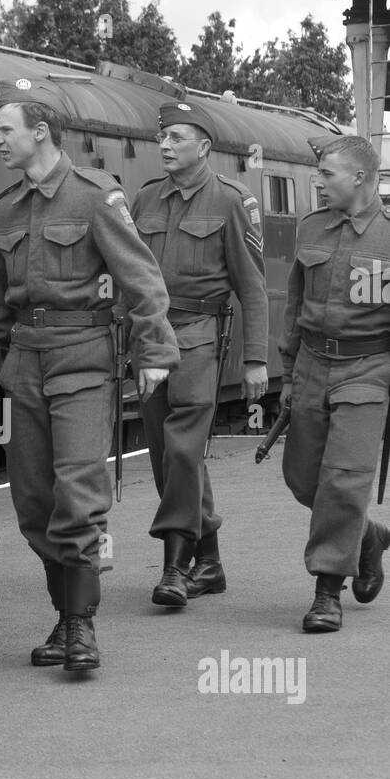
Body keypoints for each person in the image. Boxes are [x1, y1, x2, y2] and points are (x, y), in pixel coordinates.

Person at [0, 77, 178, 672]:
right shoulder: (4, 209)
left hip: (83, 360)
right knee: (33, 503)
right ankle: (65, 613)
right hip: (23, 363)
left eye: (4, 129)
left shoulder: (94, 196)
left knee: (79, 496)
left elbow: (141, 280)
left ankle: (79, 625)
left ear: (40, 131)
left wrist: (156, 355)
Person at [130, 101, 268, 606]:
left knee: (184, 449)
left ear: (204, 147)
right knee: (168, 457)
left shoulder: (232, 201)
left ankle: (175, 567)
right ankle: (209, 562)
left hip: (197, 336)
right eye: (162, 137)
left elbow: (252, 287)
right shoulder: (144, 200)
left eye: (176, 138)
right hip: (148, 338)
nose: (164, 144)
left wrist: (256, 359)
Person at [280, 135, 390, 632]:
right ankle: (367, 536)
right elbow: (294, 307)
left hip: (369, 370)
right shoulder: (311, 228)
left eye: (327, 175)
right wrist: (287, 374)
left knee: (344, 479)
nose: (318, 183)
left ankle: (327, 590)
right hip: (311, 365)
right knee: (305, 479)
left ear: (361, 177)